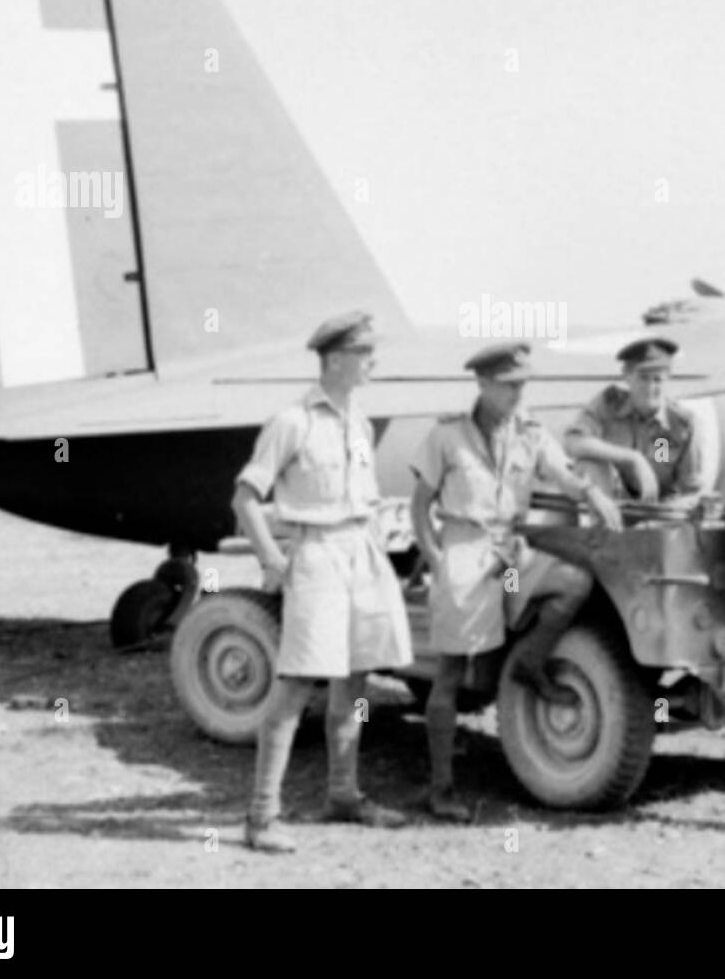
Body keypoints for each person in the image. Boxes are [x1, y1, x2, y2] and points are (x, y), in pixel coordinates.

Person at [409, 342, 623, 822]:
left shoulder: (530, 432)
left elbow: (565, 475)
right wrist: (436, 559)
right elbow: (419, 505)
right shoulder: (448, 436)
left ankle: (528, 663)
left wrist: (592, 495)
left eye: (523, 385)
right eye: (509, 386)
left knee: (572, 579)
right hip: (465, 549)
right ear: (482, 385)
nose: (517, 394)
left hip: (513, 550)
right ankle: (441, 788)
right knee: (455, 671)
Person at [233, 311, 414, 852]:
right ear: (334, 359)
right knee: (296, 685)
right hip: (315, 555)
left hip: (361, 550)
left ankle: (343, 795)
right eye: (363, 355)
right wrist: (272, 558)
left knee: (355, 679)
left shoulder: (358, 419)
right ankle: (261, 817)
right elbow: (244, 498)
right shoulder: (293, 421)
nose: (372, 364)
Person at [562, 337, 705, 503]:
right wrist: (632, 458)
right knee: (590, 465)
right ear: (626, 376)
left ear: (668, 377)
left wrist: (660, 518)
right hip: (614, 502)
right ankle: (605, 528)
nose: (651, 388)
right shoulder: (609, 404)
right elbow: (573, 441)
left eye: (657, 379)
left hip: (660, 509)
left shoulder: (681, 424)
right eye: (643, 378)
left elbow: (691, 492)